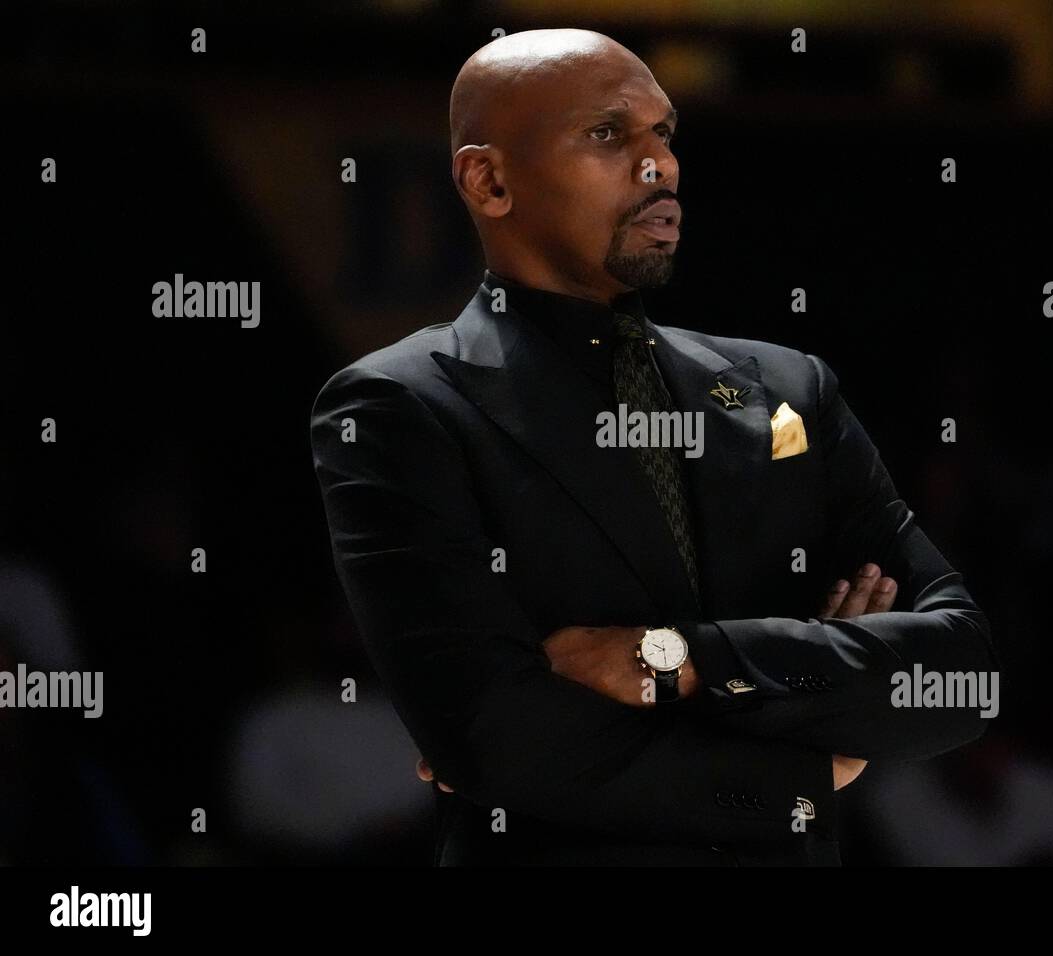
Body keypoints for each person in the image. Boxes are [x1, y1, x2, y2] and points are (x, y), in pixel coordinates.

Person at [310, 28, 995, 866]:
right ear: (489, 181)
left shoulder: (789, 390)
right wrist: (811, 766)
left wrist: (676, 661)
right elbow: (492, 738)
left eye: (663, 133)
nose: (659, 166)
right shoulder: (402, 405)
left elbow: (960, 674)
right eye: (607, 135)